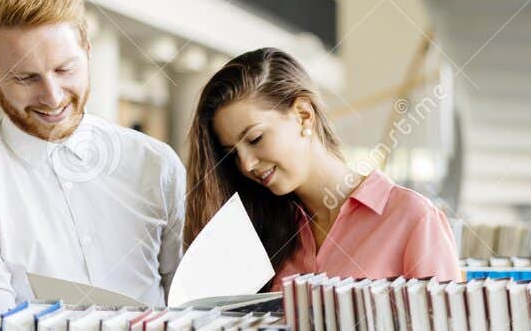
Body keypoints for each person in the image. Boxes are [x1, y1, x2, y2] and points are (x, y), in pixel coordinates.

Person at [0, 0, 185, 317]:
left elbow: (186, 301)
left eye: (65, 69)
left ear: (88, 49)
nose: (53, 96)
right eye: (26, 77)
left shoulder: (156, 164)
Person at [185, 48, 459, 286]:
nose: (246, 164)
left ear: (304, 116)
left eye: (255, 139)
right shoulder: (263, 229)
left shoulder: (413, 218)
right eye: (232, 153)